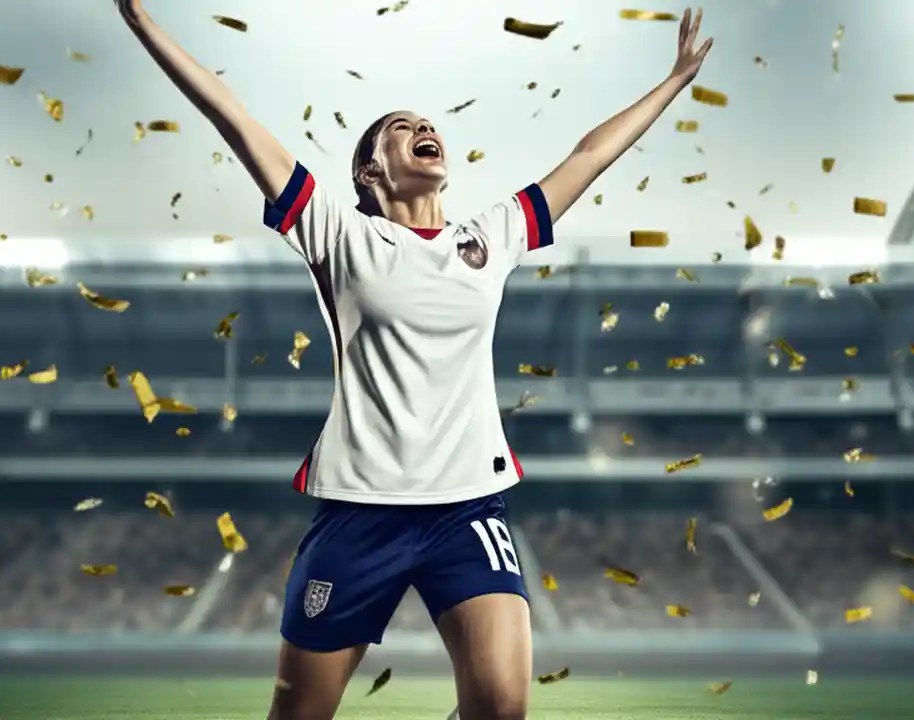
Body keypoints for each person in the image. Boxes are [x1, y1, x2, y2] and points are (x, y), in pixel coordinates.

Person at [114, 2, 712, 718]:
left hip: (466, 507)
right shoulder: (338, 234)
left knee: (502, 709)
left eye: (428, 123)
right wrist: (145, 26)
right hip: (362, 513)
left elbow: (587, 155)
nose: (424, 128)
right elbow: (232, 116)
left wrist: (674, 81)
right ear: (370, 170)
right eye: (402, 127)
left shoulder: (492, 237)